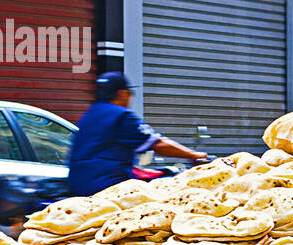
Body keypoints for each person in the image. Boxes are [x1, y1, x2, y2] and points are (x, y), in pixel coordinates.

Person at [67, 72, 207, 197]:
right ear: (122, 93)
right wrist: (194, 155)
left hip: (78, 186)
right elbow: (158, 144)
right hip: (107, 187)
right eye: (129, 93)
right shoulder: (122, 115)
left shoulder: (90, 114)